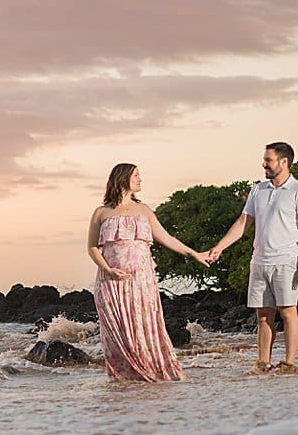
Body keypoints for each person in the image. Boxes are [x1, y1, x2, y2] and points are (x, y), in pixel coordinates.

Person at [87, 163, 211, 382]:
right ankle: (123, 381)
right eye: (136, 175)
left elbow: (167, 239)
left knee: (144, 331)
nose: (140, 179)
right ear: (122, 178)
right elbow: (92, 248)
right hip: (110, 282)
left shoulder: (143, 210)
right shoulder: (101, 212)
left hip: (141, 282)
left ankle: (150, 375)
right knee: (118, 336)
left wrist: (195, 254)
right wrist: (108, 269)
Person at [207, 142, 298, 373]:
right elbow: (243, 223)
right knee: (263, 316)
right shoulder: (258, 190)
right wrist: (220, 247)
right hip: (259, 261)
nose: (263, 164)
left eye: (268, 160)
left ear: (283, 162)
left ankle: (289, 363)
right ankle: (263, 363)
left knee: (288, 311)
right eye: (264, 160)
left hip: (287, 260)